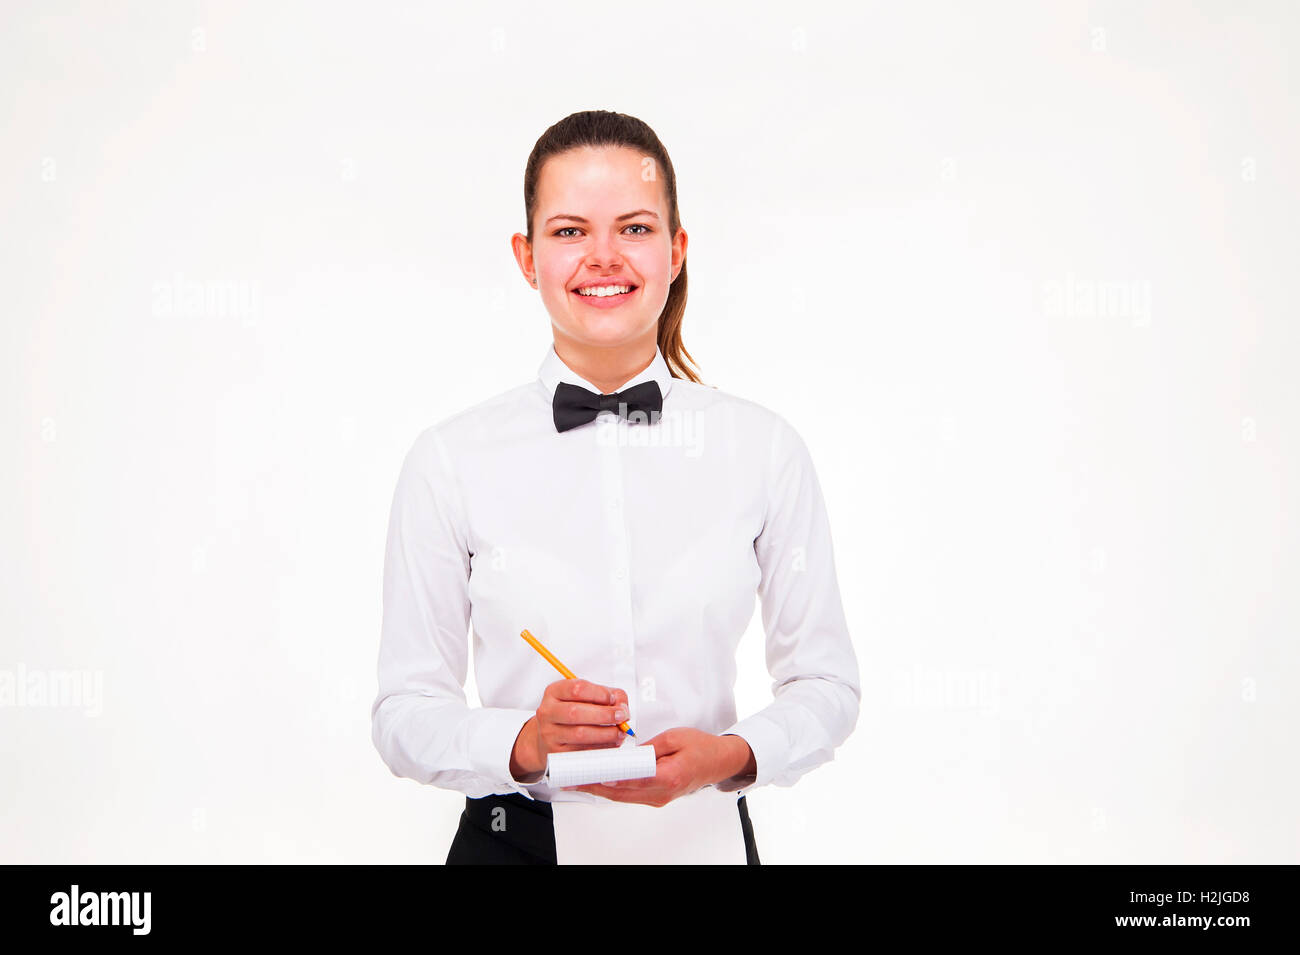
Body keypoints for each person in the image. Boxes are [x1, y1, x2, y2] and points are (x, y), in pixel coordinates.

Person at [370, 109, 860, 864]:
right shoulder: (449, 459)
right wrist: (524, 741)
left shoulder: (763, 448)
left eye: (633, 228)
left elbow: (826, 685)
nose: (603, 256)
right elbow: (403, 713)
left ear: (676, 251)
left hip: (706, 841)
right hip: (515, 845)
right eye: (569, 232)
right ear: (527, 257)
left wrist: (729, 755)